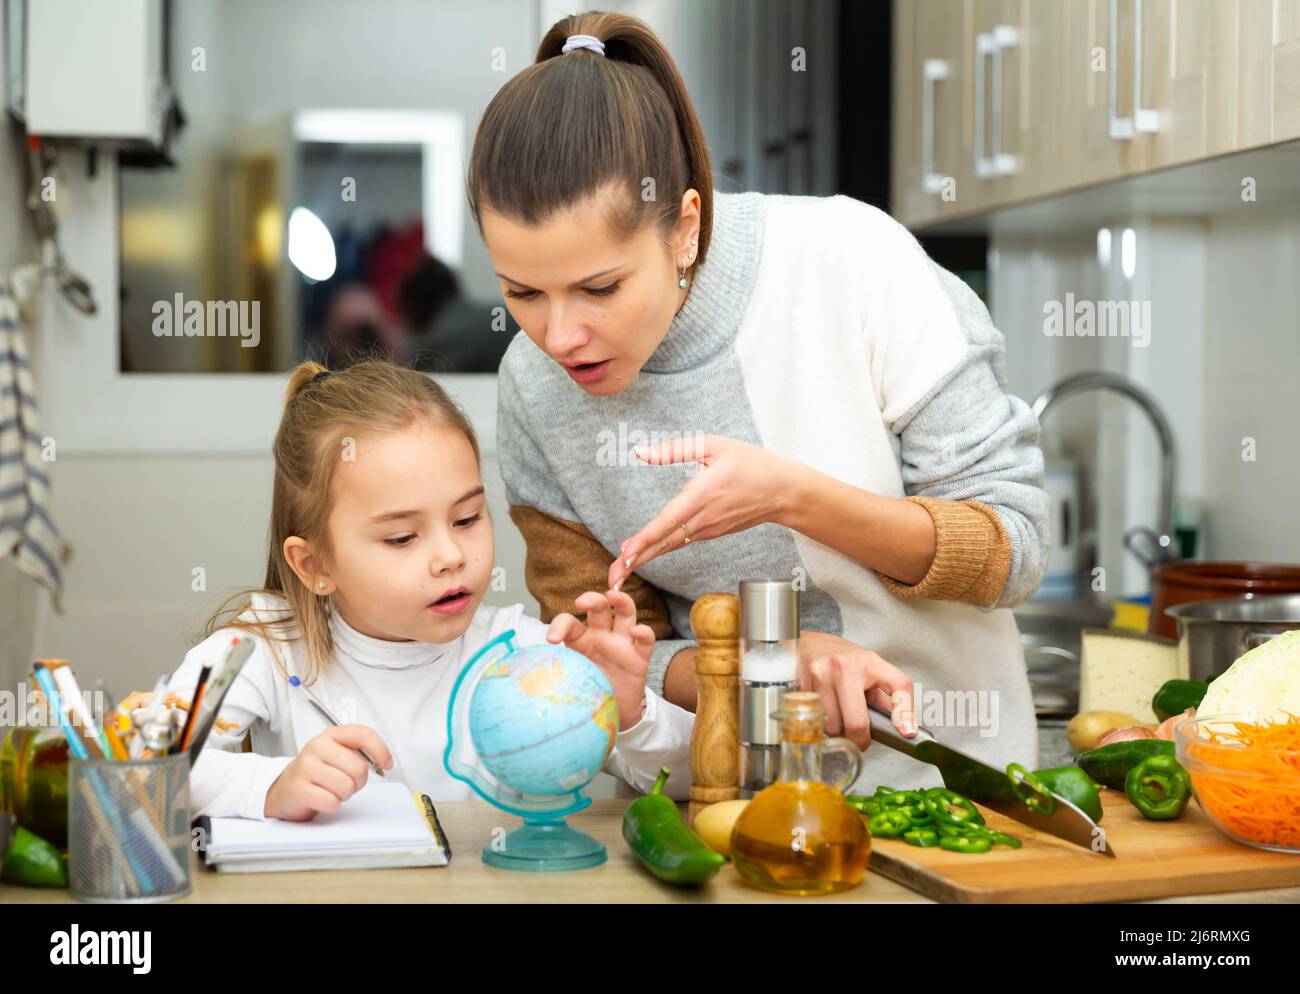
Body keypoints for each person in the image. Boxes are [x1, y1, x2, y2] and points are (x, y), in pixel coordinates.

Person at [470, 12, 1051, 788]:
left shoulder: (856, 262)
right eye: (523, 293)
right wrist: (767, 662)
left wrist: (791, 496)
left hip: (951, 793)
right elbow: (605, 649)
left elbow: (1012, 549)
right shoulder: (533, 388)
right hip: (722, 803)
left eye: (600, 287)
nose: (561, 335)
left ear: (684, 226)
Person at [169, 359, 693, 820]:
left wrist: (629, 713)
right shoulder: (261, 649)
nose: (450, 556)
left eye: (467, 518)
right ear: (313, 564)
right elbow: (146, 769)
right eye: (402, 537)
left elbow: (694, 778)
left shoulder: (525, 653)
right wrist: (272, 787)